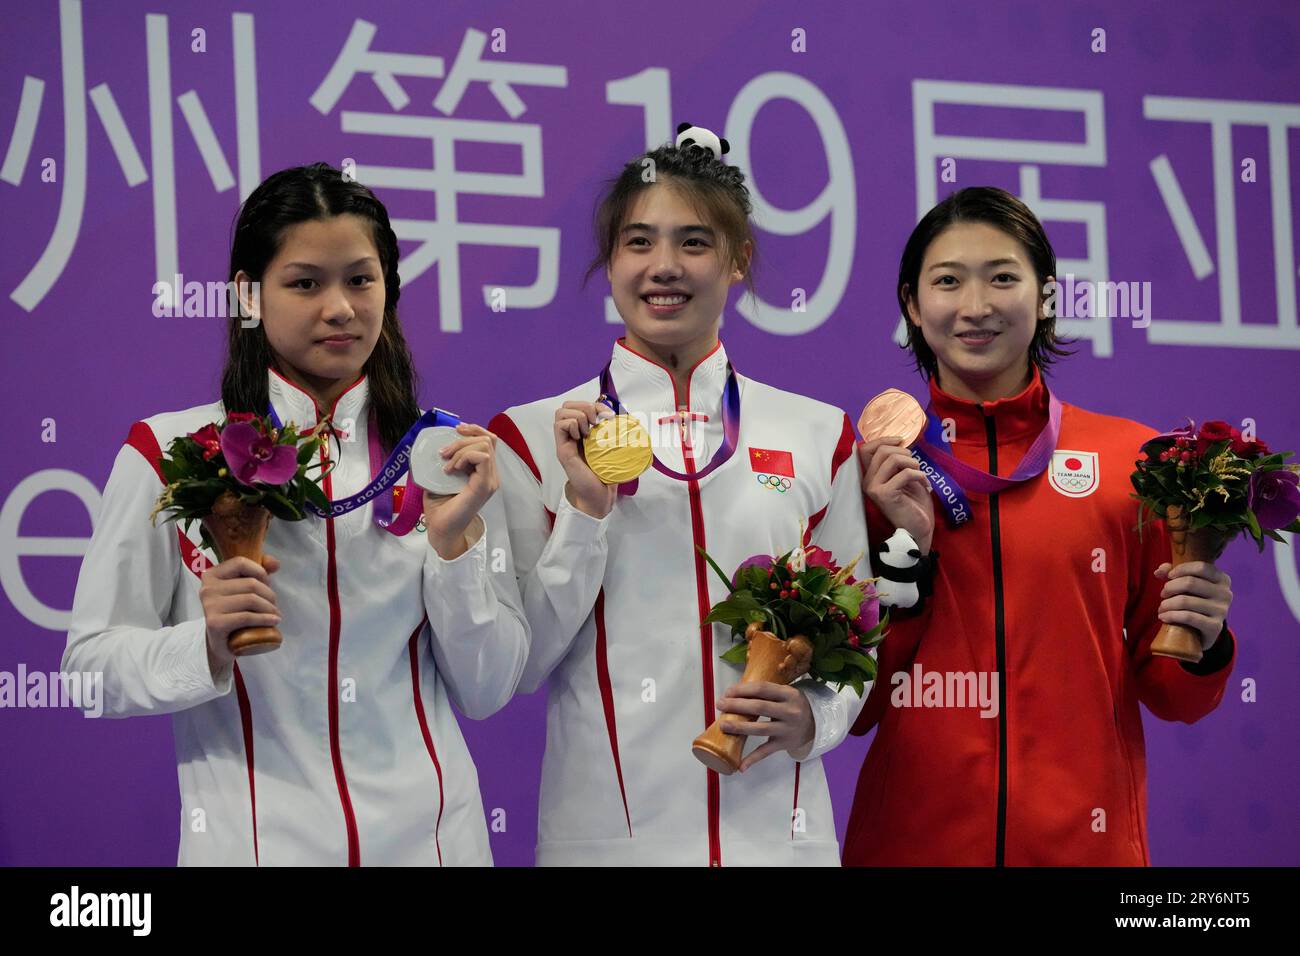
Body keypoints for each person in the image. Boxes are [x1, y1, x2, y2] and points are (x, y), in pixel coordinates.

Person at [63, 163, 529, 866]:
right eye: (305, 282)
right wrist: (206, 644)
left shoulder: (443, 458)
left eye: (361, 280)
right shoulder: (170, 454)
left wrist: (455, 550)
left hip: (436, 847)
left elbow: (490, 688)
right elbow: (88, 674)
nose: (340, 308)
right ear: (249, 296)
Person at [490, 126, 879, 866]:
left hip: (779, 837)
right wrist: (582, 512)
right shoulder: (532, 437)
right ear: (610, 262)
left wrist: (817, 721)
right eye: (638, 242)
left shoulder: (818, 434)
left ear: (739, 261)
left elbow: (856, 632)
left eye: (694, 242)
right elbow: (521, 662)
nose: (663, 267)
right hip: (608, 841)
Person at [843, 186, 1236, 866]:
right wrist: (904, 560)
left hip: (1087, 847)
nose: (976, 307)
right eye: (947, 281)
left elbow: (1174, 695)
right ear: (912, 303)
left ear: (1047, 296)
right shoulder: (870, 472)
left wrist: (1204, 644)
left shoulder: (1132, 463)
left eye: (1003, 278)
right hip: (909, 845)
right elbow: (855, 705)